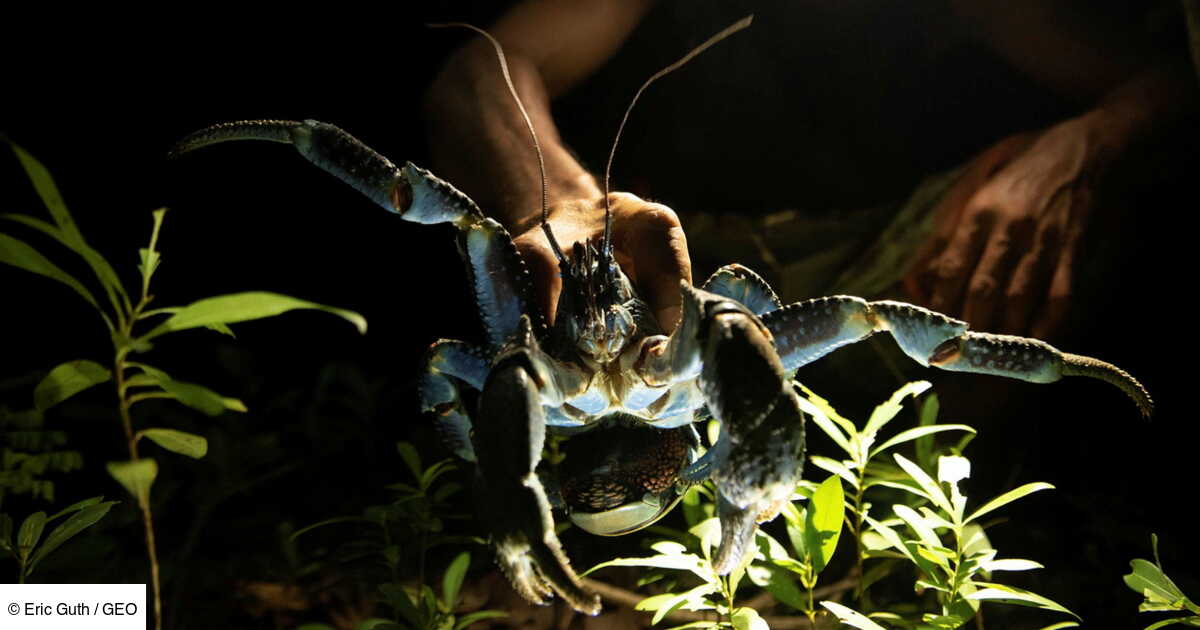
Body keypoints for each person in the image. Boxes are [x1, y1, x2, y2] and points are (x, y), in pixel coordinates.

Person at [423, 0, 1196, 339]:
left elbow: (1163, 79)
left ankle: (968, 481)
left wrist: (1081, 144)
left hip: (889, 275)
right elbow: (479, 70)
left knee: (1088, 185)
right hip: (672, 282)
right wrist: (561, 202)